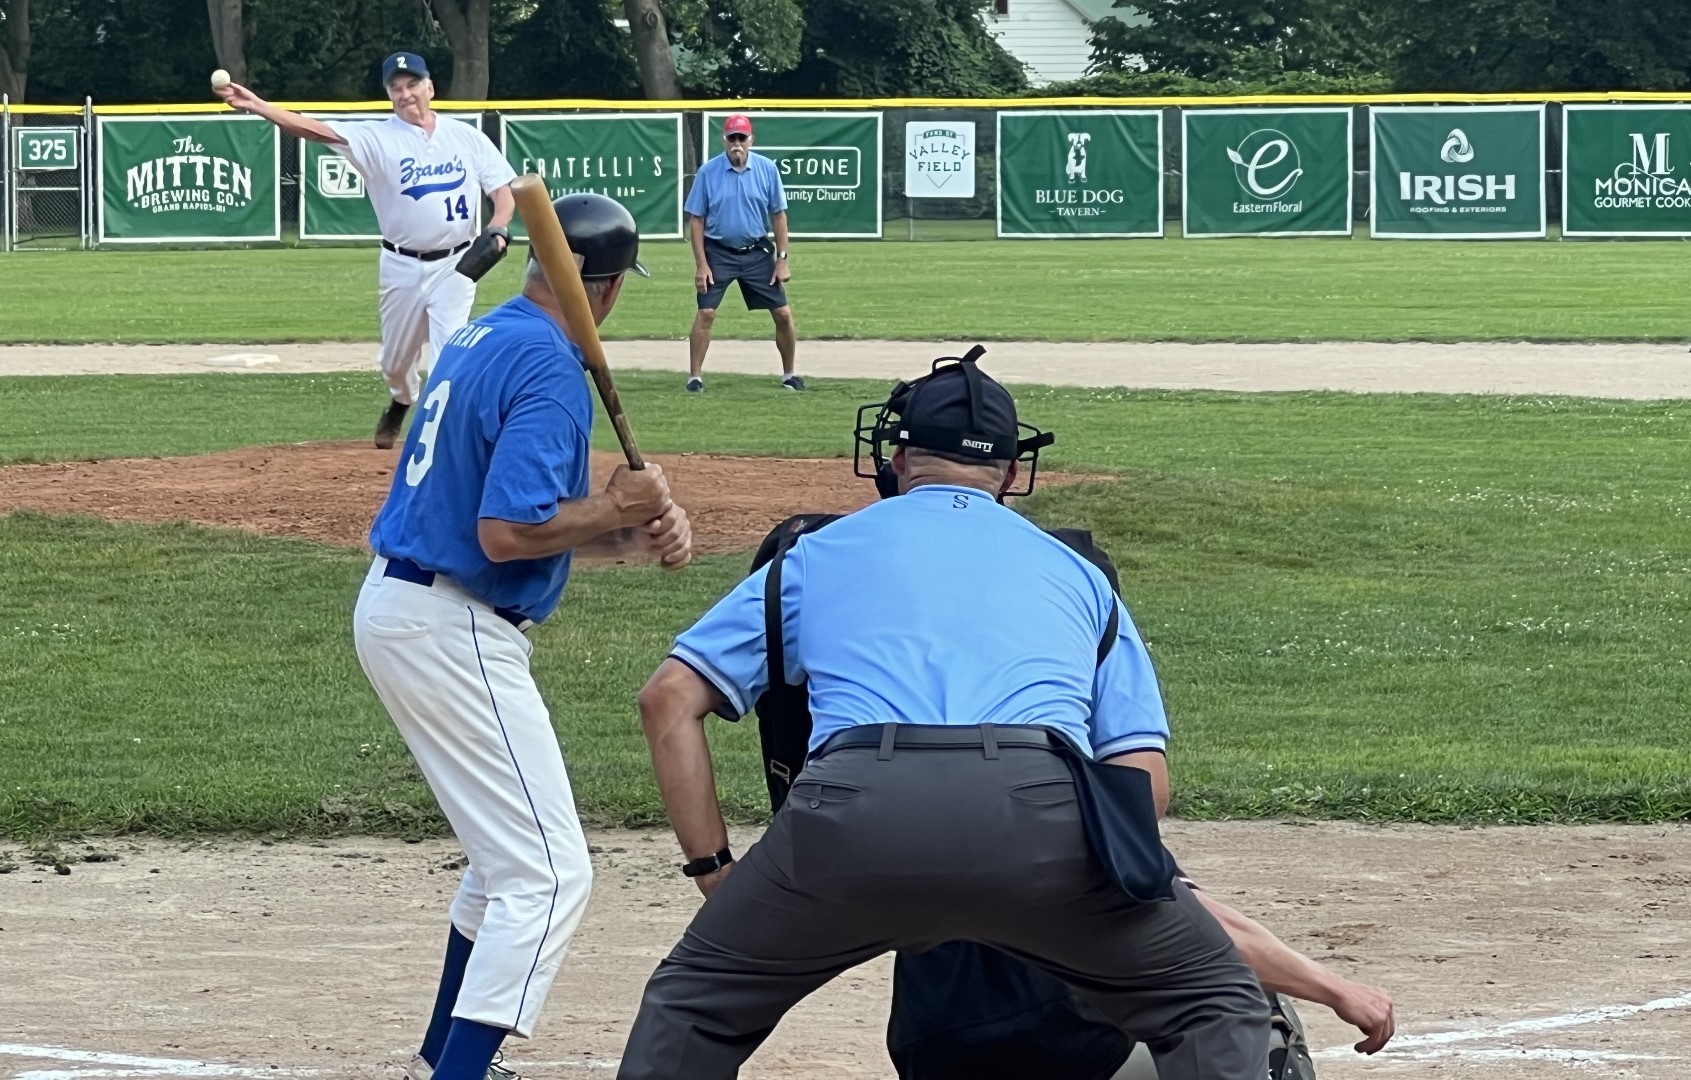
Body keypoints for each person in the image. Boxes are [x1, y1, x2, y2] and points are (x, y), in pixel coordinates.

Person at [616, 351, 1278, 1080]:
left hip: (850, 814)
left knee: (690, 1008)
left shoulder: (816, 553)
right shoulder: (1078, 573)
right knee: (1218, 1000)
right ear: (1010, 473)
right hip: (1039, 811)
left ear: (897, 458)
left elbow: (669, 697)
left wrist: (717, 874)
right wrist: (1080, 904)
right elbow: (1142, 781)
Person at [740, 388, 1394, 1080]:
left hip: (935, 1049)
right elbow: (1211, 931)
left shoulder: (896, 791)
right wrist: (1339, 990)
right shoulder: (1057, 813)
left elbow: (671, 694)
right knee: (1251, 1017)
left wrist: (718, 870)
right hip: (1077, 1051)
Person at [350, 193, 692, 1080]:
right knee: (547, 877)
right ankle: (461, 1074)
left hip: (415, 606)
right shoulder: (548, 366)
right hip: (449, 623)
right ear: (607, 289)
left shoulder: (490, 334)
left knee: (506, 863)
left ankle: (444, 1056)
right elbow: (509, 532)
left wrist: (632, 532)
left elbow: (521, 523)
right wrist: (617, 504)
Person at [216, 51, 518, 448]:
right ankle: (401, 398)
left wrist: (498, 225)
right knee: (395, 363)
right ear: (389, 95)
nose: (406, 93)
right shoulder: (377, 138)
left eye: (413, 84)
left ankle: (443, 443)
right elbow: (313, 129)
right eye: (396, 88)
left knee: (451, 358)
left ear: (430, 87)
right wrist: (258, 106)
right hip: (401, 266)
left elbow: (503, 191)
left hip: (458, 265)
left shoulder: (466, 137)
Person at [682, 113, 801, 393]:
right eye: (732, 138)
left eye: (742, 138)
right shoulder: (708, 172)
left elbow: (778, 216)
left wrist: (782, 260)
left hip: (756, 252)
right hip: (718, 251)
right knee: (707, 312)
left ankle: (789, 375)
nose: (737, 143)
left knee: (783, 313)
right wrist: (702, 264)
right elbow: (696, 220)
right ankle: (695, 377)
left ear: (751, 140)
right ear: (724, 140)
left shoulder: (767, 169)